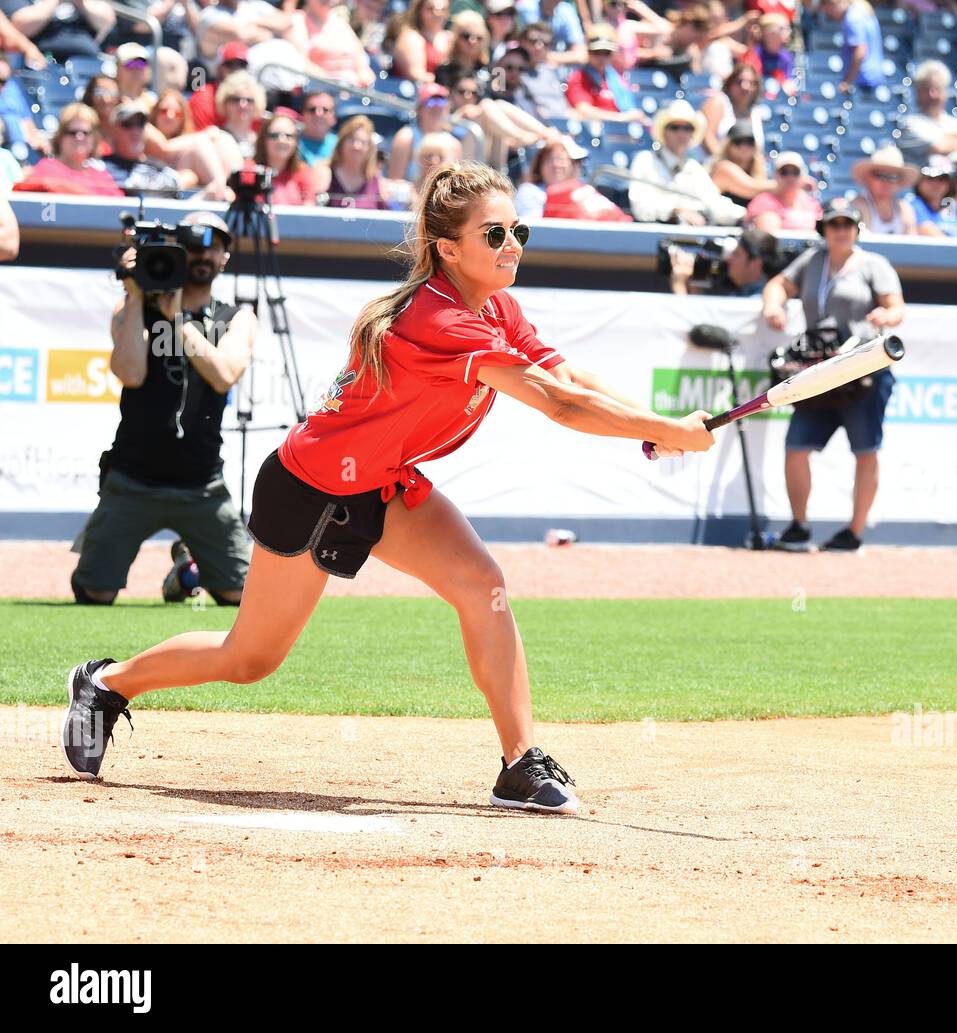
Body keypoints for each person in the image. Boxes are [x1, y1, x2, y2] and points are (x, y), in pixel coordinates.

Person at [60, 161, 716, 814]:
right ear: (447, 247)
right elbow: (558, 405)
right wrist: (665, 428)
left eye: (518, 231)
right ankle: (106, 682)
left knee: (481, 583)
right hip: (312, 486)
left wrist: (654, 426)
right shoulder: (439, 319)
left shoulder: (496, 308)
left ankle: (519, 763)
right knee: (250, 656)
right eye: (494, 234)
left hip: (385, 484)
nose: (511, 245)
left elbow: (568, 376)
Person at [70, 210, 257, 608]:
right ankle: (177, 562)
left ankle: (184, 568)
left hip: (201, 483)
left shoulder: (237, 317)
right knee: (94, 593)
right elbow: (130, 373)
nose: (202, 256)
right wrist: (137, 296)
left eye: (214, 248)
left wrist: (178, 320)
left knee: (239, 594)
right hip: (133, 478)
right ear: (176, 253)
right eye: (191, 248)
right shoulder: (132, 310)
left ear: (225, 258)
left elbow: (224, 374)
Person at [760, 196, 905, 552]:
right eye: (833, 224)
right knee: (796, 446)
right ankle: (799, 526)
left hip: (861, 367)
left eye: (846, 224)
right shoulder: (812, 261)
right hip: (820, 368)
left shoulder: (873, 264)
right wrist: (772, 305)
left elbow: (895, 305)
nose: (840, 231)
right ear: (823, 228)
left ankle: (854, 532)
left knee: (866, 449)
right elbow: (778, 284)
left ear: (856, 229)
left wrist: (886, 317)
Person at [629, 99, 744, 225]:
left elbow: (714, 203)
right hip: (657, 237)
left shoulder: (693, 167)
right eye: (675, 127)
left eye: (688, 128)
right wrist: (676, 211)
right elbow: (640, 206)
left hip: (695, 236)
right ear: (664, 131)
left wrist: (747, 215)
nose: (681, 133)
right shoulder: (645, 161)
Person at [895, 60, 957, 169]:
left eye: (937, 89)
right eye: (926, 90)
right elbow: (940, 147)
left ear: (946, 92)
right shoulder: (911, 124)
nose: (932, 95)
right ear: (917, 93)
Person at [16, 104, 122, 197]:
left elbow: (118, 204)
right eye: (72, 132)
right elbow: (28, 186)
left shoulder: (100, 175)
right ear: (61, 137)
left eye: (85, 133)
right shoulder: (47, 167)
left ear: (94, 139)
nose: (79, 137)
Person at [103, 100, 197, 196]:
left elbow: (190, 177)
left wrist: (170, 185)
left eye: (140, 124)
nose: (135, 131)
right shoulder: (101, 166)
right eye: (128, 124)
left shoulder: (154, 165)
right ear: (114, 131)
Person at [565, 24, 648, 125]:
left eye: (606, 53)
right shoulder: (579, 77)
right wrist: (622, 118)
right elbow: (583, 110)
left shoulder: (614, 77)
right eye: (597, 52)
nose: (602, 58)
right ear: (588, 52)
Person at [287, 0, 375, 89]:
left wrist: (364, 76)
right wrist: (333, 84)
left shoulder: (340, 22)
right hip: (321, 90)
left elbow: (360, 59)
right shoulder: (298, 19)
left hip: (354, 90)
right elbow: (303, 62)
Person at [669, 226, 780, 296]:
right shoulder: (745, 290)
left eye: (736, 254)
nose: (729, 259)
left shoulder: (760, 299)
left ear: (755, 263)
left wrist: (679, 287)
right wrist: (695, 290)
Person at [0, 0, 114, 62]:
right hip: (44, 61)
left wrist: (81, 3)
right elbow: (20, 26)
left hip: (87, 62)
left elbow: (107, 21)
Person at [317, 114, 388, 209]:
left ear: (370, 149)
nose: (356, 146)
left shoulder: (376, 180)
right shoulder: (325, 172)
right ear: (341, 143)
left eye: (363, 142)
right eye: (351, 139)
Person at [850, 144, 918, 235]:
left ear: (899, 182)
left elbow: (912, 245)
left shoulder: (905, 209)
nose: (886, 182)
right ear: (868, 177)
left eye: (893, 177)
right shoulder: (857, 207)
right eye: (880, 175)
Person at [744, 150, 819, 232]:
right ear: (775, 175)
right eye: (784, 172)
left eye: (795, 172)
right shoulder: (764, 201)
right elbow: (769, 236)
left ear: (803, 176)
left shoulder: (811, 203)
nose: (790, 178)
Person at [256, 111, 317, 206]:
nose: (281, 140)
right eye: (274, 135)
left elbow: (308, 209)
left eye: (288, 136)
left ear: (295, 142)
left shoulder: (303, 171)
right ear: (263, 140)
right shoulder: (250, 169)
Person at [700, 63, 763, 155]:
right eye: (739, 82)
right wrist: (723, 162)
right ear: (730, 84)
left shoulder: (756, 111)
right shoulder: (718, 102)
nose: (745, 87)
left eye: (751, 83)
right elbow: (707, 137)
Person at [708, 122, 774, 206]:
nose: (744, 147)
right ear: (728, 146)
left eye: (749, 142)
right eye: (738, 142)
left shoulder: (759, 172)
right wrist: (785, 184)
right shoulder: (722, 168)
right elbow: (752, 188)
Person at [909, 154, 957, 238]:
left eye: (943, 178)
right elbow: (931, 235)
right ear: (919, 181)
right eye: (931, 178)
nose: (936, 184)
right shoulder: (912, 206)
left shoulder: (953, 205)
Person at [298, 89, 338, 167]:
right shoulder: (291, 142)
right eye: (312, 109)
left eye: (325, 110)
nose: (318, 114)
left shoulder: (342, 146)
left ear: (334, 117)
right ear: (303, 114)